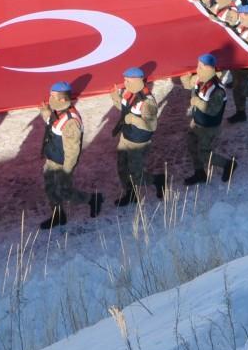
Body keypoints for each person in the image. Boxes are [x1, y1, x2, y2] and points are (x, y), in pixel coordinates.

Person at [39, 82, 103, 229]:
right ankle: (58, 216)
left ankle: (92, 199)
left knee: (65, 191)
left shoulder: (71, 121)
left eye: (53, 96)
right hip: (52, 159)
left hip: (62, 163)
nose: (50, 99)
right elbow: (52, 124)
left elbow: (72, 151)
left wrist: (66, 172)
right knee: (51, 189)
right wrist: (45, 112)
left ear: (62, 100)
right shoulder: (58, 111)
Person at [110, 67, 164, 206]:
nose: (125, 83)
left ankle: (157, 180)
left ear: (136, 81)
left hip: (138, 142)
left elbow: (151, 126)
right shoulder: (130, 93)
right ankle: (130, 194)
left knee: (136, 175)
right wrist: (116, 98)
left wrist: (132, 119)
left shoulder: (148, 102)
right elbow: (126, 109)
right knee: (122, 168)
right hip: (126, 137)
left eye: (127, 80)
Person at [183, 54, 236, 185]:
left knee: (204, 154)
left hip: (208, 127)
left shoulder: (217, 89)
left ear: (208, 68)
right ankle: (199, 173)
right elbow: (189, 85)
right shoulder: (200, 79)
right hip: (196, 122)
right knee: (192, 146)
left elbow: (213, 111)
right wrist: (184, 77)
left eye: (200, 67)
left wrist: (196, 102)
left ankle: (228, 164)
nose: (197, 69)